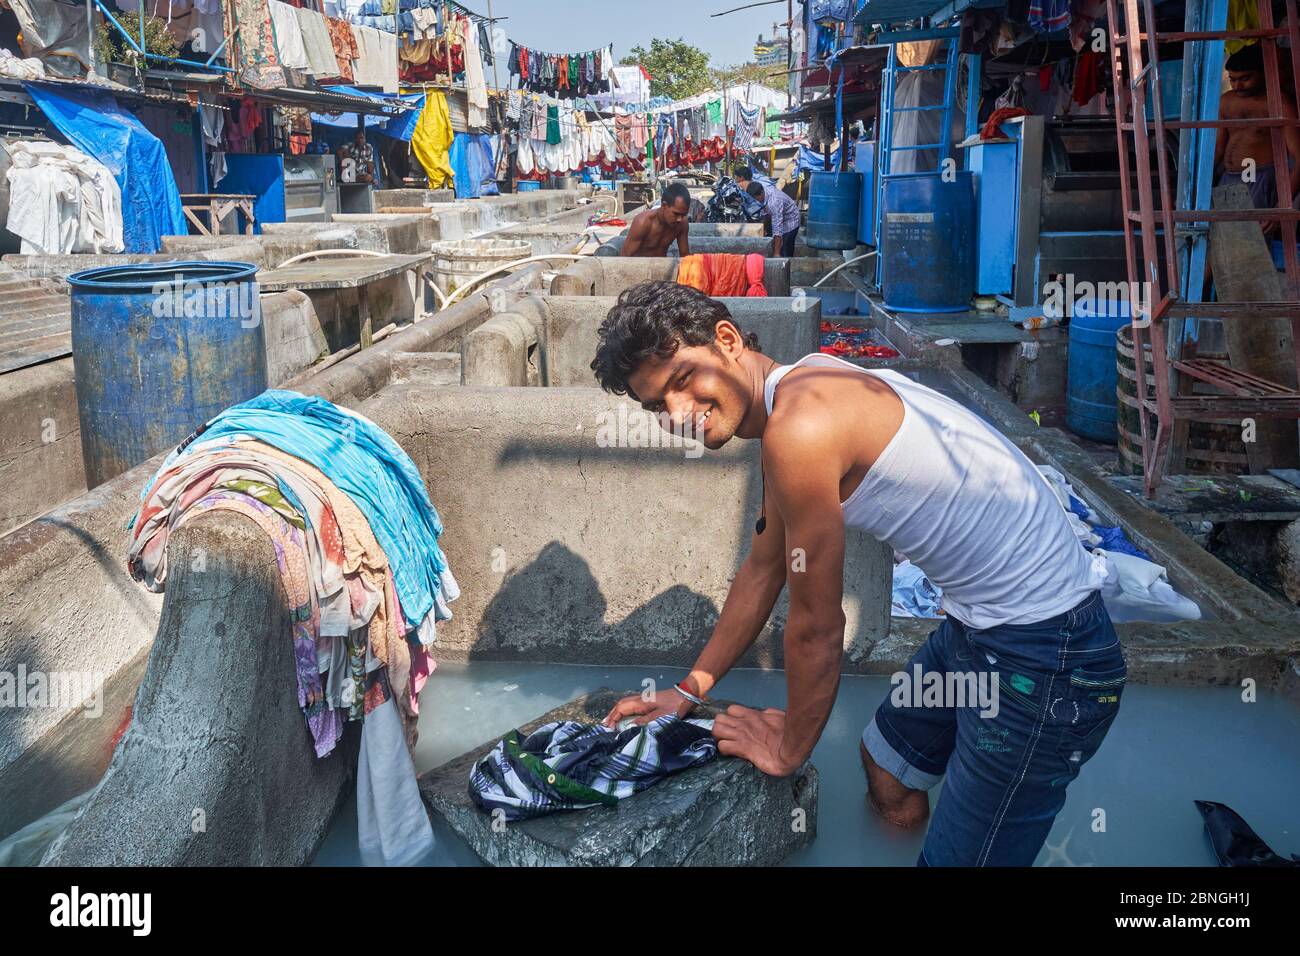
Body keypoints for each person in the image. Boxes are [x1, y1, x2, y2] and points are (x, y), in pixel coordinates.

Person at [593, 282, 1125, 866]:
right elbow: (764, 568)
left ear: (726, 339)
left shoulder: (800, 427)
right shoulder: (798, 389)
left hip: (1049, 657)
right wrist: (691, 688)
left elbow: (818, 625)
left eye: (679, 380)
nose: (676, 414)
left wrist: (789, 746)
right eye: (654, 405)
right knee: (887, 770)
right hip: (980, 628)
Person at [1214, 43, 1300, 236]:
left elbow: (1299, 156)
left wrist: (1282, 204)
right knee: (1220, 242)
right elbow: (1218, 148)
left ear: (1263, 73)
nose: (1238, 85)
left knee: (1247, 243)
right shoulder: (1227, 101)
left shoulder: (1278, 103)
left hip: (1257, 175)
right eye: (1233, 79)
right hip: (1230, 177)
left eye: (1245, 78)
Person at [621, 182, 691, 257]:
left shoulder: (682, 224)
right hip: (640, 267)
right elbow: (625, 256)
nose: (679, 219)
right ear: (664, 205)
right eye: (676, 214)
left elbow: (684, 255)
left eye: (683, 215)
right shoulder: (643, 222)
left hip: (662, 266)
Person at [747, 181, 801, 257]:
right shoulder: (763, 192)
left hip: (791, 219)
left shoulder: (774, 202)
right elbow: (765, 213)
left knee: (786, 246)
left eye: (757, 198)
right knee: (771, 240)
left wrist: (776, 253)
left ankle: (786, 263)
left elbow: (777, 229)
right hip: (778, 214)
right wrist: (762, 229)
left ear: (762, 193)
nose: (756, 201)